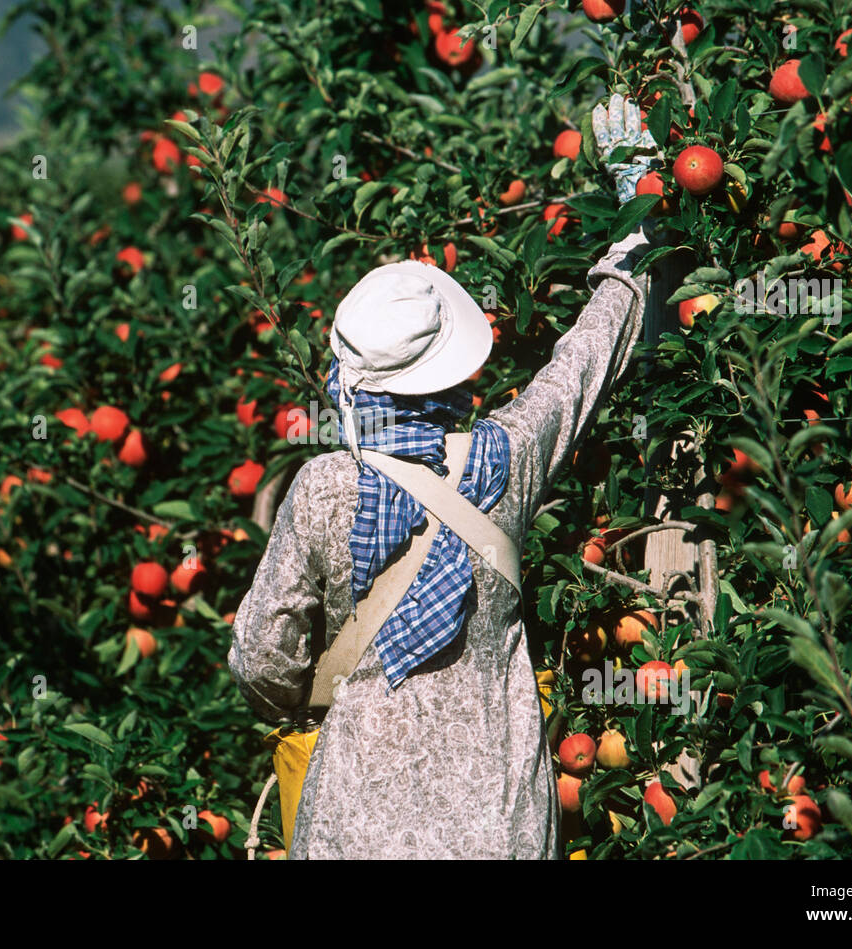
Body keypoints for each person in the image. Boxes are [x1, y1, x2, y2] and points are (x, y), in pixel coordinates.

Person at [228, 96, 661, 859]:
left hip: (353, 828)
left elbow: (262, 656)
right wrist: (643, 204)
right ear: (454, 374)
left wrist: (308, 697)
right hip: (495, 824)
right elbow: (596, 345)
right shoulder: (510, 456)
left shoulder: (325, 486)